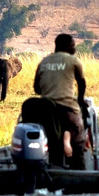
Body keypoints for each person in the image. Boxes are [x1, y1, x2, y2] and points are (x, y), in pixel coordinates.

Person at [33, 33, 90, 168]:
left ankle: (55, 170)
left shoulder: (44, 62)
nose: (74, 49)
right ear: (66, 46)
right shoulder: (73, 60)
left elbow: (36, 88)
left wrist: (50, 94)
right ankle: (79, 175)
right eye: (73, 45)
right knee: (78, 142)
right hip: (67, 109)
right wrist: (80, 100)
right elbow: (81, 83)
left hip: (46, 110)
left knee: (53, 144)